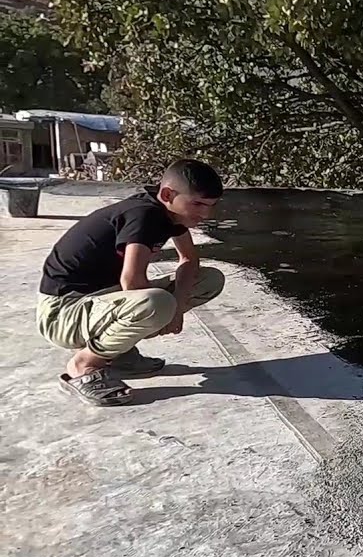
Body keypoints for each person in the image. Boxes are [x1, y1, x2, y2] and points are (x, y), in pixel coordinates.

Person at [36, 159, 226, 405]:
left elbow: (189, 260)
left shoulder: (171, 215)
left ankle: (118, 355)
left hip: (98, 299)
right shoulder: (143, 215)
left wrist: (178, 307)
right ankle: (84, 365)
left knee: (209, 280)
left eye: (211, 206)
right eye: (198, 204)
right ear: (167, 195)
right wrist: (168, 312)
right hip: (62, 313)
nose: (206, 214)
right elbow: (132, 282)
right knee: (157, 303)